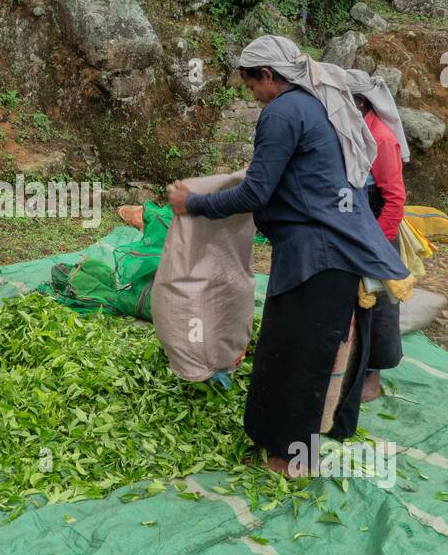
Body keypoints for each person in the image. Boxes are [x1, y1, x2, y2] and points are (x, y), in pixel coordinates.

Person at [167, 35, 409, 478]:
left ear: (268, 76)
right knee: (299, 348)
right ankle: (291, 443)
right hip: (335, 246)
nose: (253, 96)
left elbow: (257, 191)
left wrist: (195, 205)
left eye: (251, 86)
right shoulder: (315, 105)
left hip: (317, 254)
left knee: (299, 356)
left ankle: (290, 458)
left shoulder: (282, 111)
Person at [345, 68, 410, 403]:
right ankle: (349, 365)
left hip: (378, 228)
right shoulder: (351, 130)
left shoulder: (381, 138)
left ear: (359, 102)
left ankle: (373, 374)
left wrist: (377, 245)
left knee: (379, 301)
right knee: (354, 300)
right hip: (355, 225)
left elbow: (395, 198)